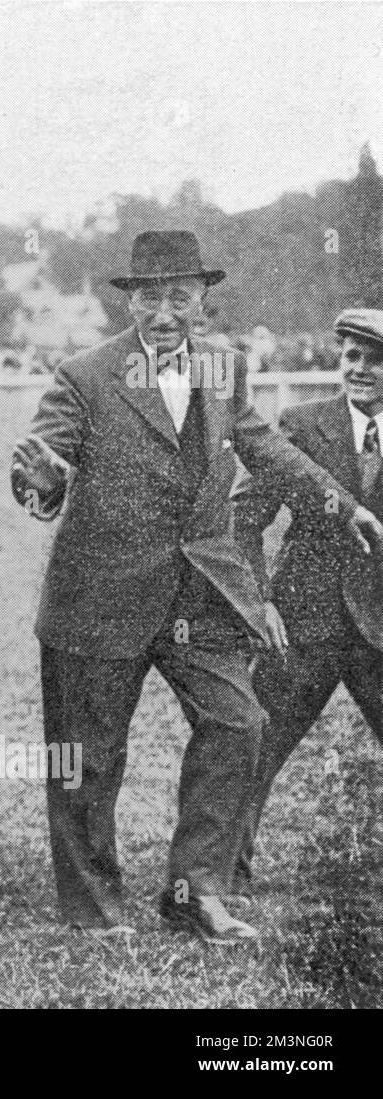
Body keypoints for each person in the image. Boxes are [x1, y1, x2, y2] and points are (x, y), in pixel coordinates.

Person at [11, 231, 383, 943]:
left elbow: (266, 448)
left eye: (179, 297)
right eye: (149, 297)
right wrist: (41, 479)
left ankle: (195, 890)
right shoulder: (85, 375)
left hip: (202, 591)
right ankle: (91, 904)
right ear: (131, 301)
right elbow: (44, 461)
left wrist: (344, 502)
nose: (163, 312)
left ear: (203, 302)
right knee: (90, 752)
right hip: (101, 594)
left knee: (238, 721)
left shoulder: (225, 367)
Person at [234, 308, 383, 889]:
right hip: (300, 622)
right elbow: (244, 515)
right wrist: (259, 599)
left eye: (376, 360)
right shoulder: (301, 424)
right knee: (254, 743)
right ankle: (222, 870)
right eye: (352, 356)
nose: (361, 369)